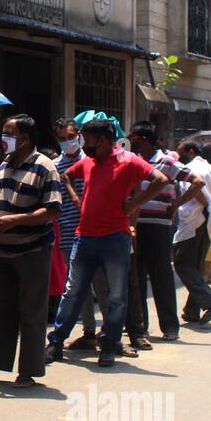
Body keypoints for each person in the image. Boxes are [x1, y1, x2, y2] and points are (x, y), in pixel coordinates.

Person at [47, 118, 169, 368]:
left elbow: (161, 180)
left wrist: (136, 203)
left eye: (87, 140)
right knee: (73, 292)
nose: (84, 145)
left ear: (102, 140)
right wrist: (76, 200)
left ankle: (109, 346)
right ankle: (56, 342)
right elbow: (66, 177)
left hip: (115, 238)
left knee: (115, 295)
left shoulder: (128, 160)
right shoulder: (89, 161)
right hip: (84, 236)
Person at [0, 114, 62, 387]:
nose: (2, 138)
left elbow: (52, 210)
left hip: (33, 250)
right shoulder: (5, 164)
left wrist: (16, 220)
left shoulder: (44, 166)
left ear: (25, 138)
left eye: (8, 133)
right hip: (1, 250)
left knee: (31, 312)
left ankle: (27, 372)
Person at [127, 122, 201, 341]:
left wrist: (176, 204)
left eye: (135, 140)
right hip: (136, 225)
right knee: (137, 277)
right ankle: (141, 326)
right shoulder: (134, 162)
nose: (132, 144)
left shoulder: (167, 162)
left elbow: (197, 182)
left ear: (143, 139)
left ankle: (170, 327)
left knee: (161, 276)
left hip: (159, 227)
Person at [53, 119, 101, 351]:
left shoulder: (92, 161)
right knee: (77, 286)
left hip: (96, 231)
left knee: (102, 285)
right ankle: (89, 332)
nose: (67, 142)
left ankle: (111, 334)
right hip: (68, 233)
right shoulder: (54, 166)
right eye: (61, 139)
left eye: (70, 137)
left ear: (79, 135)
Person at [175, 140, 211, 326]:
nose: (177, 154)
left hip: (193, 220)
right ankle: (192, 310)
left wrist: (177, 205)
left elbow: (198, 191)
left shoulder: (189, 169)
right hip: (208, 222)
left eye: (180, 151)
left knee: (182, 264)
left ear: (190, 152)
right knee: (195, 266)